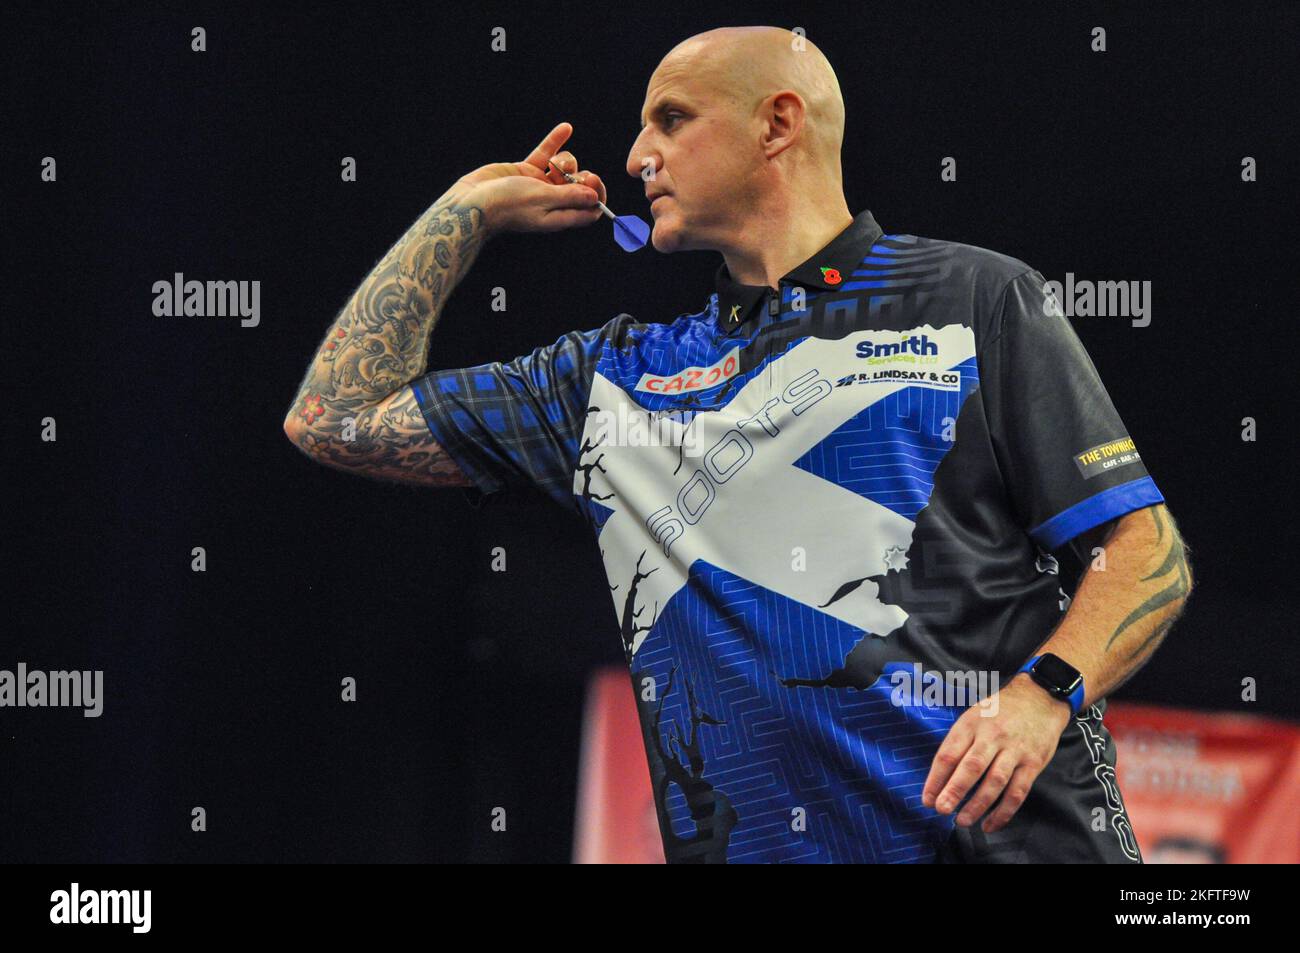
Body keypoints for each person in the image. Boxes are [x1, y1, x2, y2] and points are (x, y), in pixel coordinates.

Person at [284, 25, 1193, 863]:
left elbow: (1146, 549)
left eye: (671, 120)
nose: (637, 155)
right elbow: (334, 417)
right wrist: (463, 213)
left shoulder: (975, 298)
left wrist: (1043, 695)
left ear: (777, 124)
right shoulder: (607, 383)